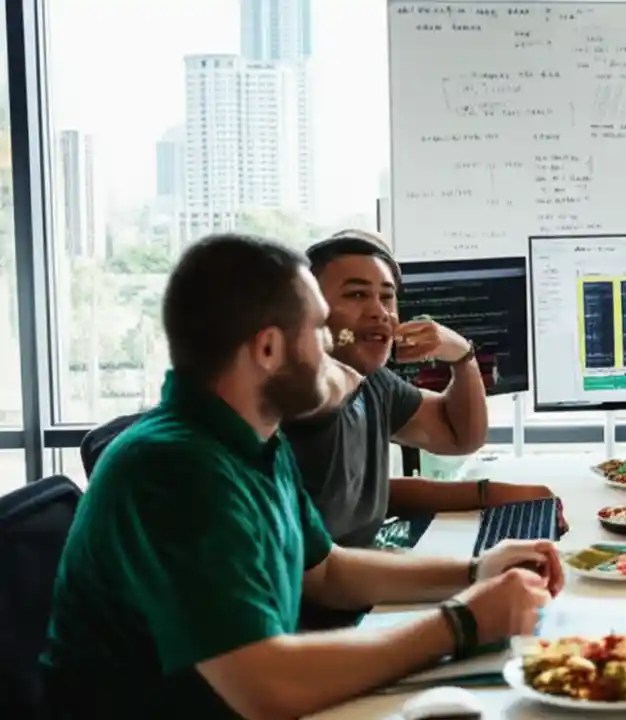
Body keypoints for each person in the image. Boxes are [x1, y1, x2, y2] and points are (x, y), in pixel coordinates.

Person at [42, 234, 563, 719]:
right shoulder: (175, 468)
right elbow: (265, 685)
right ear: (268, 350)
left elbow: (328, 571)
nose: (332, 346)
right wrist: (465, 620)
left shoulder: (254, 437)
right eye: (317, 329)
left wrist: (476, 572)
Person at [284, 229, 563, 555]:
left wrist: (461, 355)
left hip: (361, 576)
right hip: (336, 590)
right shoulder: (301, 402)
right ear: (310, 310)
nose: (380, 312)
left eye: (386, 297)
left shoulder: (372, 382)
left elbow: (459, 436)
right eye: (357, 295)